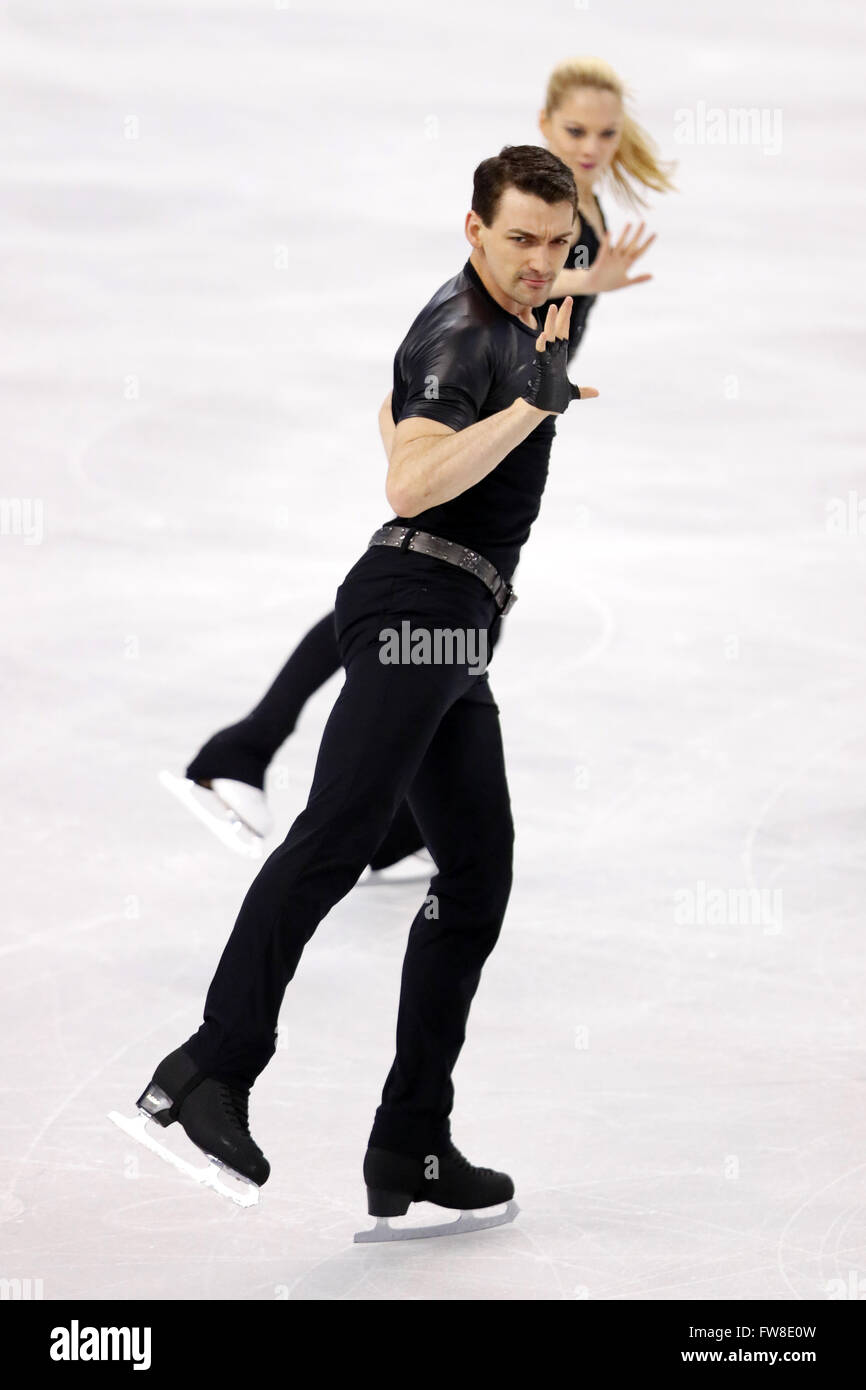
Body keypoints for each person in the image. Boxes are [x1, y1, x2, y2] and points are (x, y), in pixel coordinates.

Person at [131, 145, 599, 1228]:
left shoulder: (515, 312)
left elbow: (391, 418)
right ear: (471, 230)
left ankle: (410, 1141)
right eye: (516, 240)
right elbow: (406, 475)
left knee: (474, 872)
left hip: (452, 625)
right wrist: (530, 407)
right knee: (338, 833)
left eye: (553, 243)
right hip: (416, 611)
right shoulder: (459, 331)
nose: (538, 263)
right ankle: (212, 1062)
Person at [176, 56, 674, 872]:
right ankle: (252, 754)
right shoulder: (536, 216)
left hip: (509, 434)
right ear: (545, 128)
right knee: (419, 604)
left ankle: (393, 823)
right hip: (476, 420)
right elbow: (490, 310)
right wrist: (587, 280)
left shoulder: (578, 219)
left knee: (450, 625)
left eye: (607, 134)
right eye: (575, 130)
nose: (591, 146)